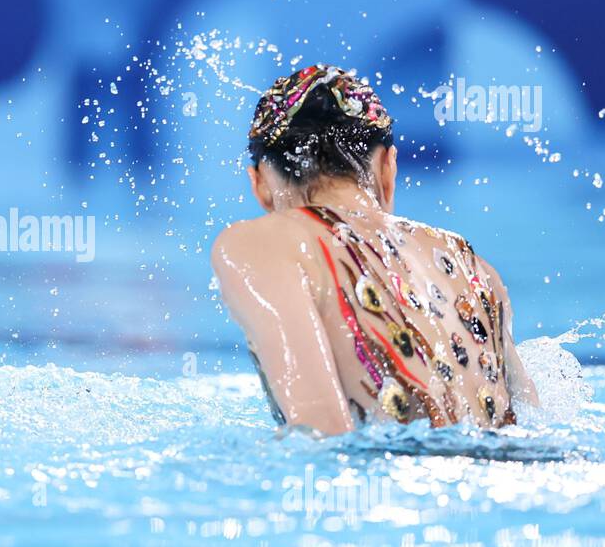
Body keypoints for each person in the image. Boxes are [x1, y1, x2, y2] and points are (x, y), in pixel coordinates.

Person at [211, 65, 539, 436]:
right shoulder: (472, 265)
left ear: (259, 186)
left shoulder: (263, 243)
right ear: (388, 167)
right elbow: (530, 422)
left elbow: (317, 429)